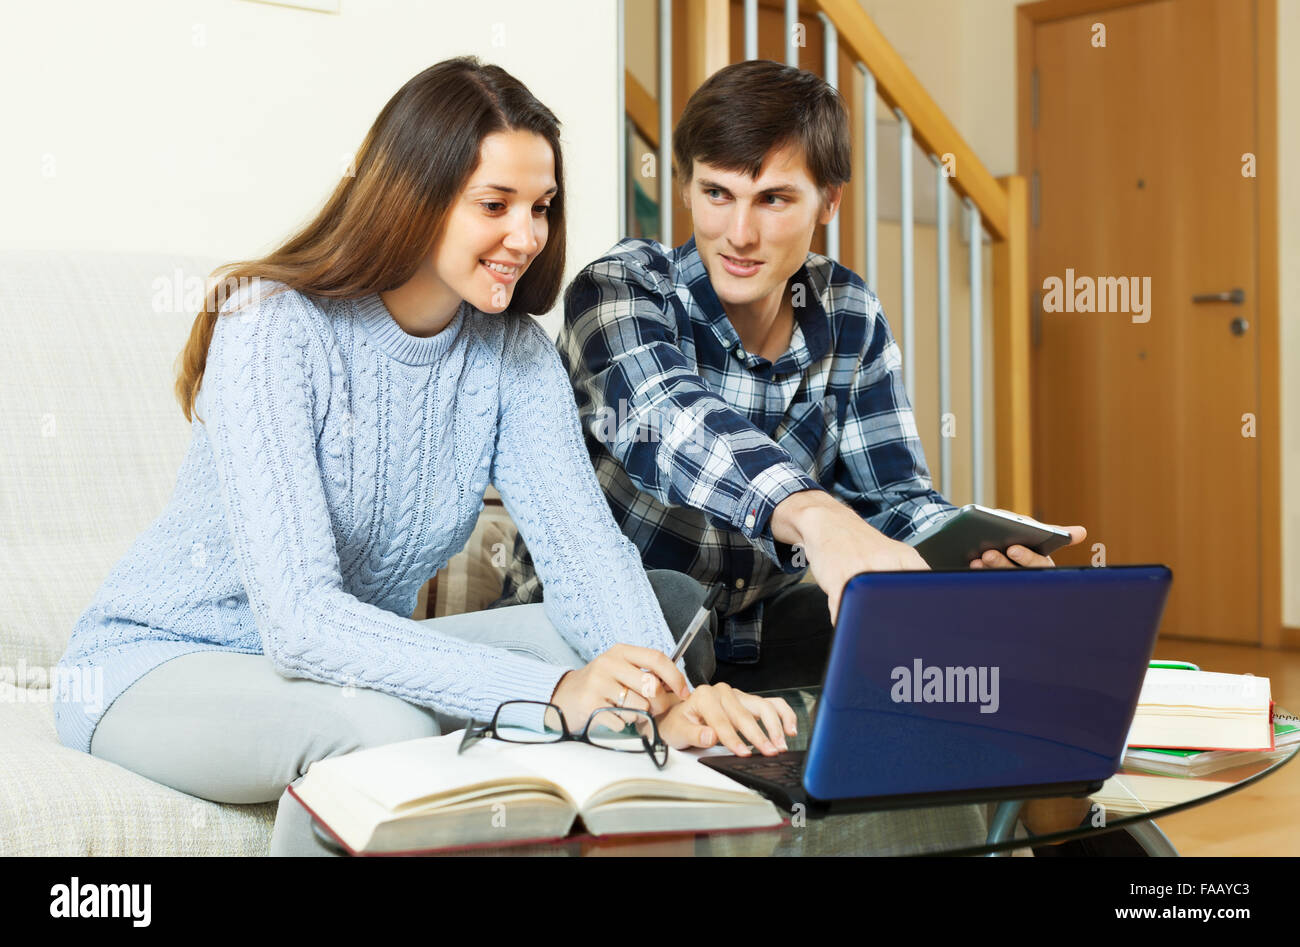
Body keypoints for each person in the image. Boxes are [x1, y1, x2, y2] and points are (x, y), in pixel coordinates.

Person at [51, 56, 795, 858]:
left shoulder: (511, 352)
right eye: (495, 205)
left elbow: (584, 550)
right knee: (385, 728)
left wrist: (666, 698)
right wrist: (554, 694)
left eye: (541, 207)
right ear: (415, 193)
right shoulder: (273, 327)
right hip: (163, 663)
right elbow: (299, 623)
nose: (527, 236)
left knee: (638, 642)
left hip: (337, 660)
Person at [497, 59, 1086, 692]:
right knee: (669, 598)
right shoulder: (620, 288)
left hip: (751, 638)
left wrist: (968, 559)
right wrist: (813, 516)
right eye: (717, 194)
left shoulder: (848, 310)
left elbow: (890, 502)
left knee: (930, 638)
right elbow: (669, 419)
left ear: (829, 200)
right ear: (685, 188)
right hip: (592, 631)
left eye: (773, 199)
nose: (739, 234)